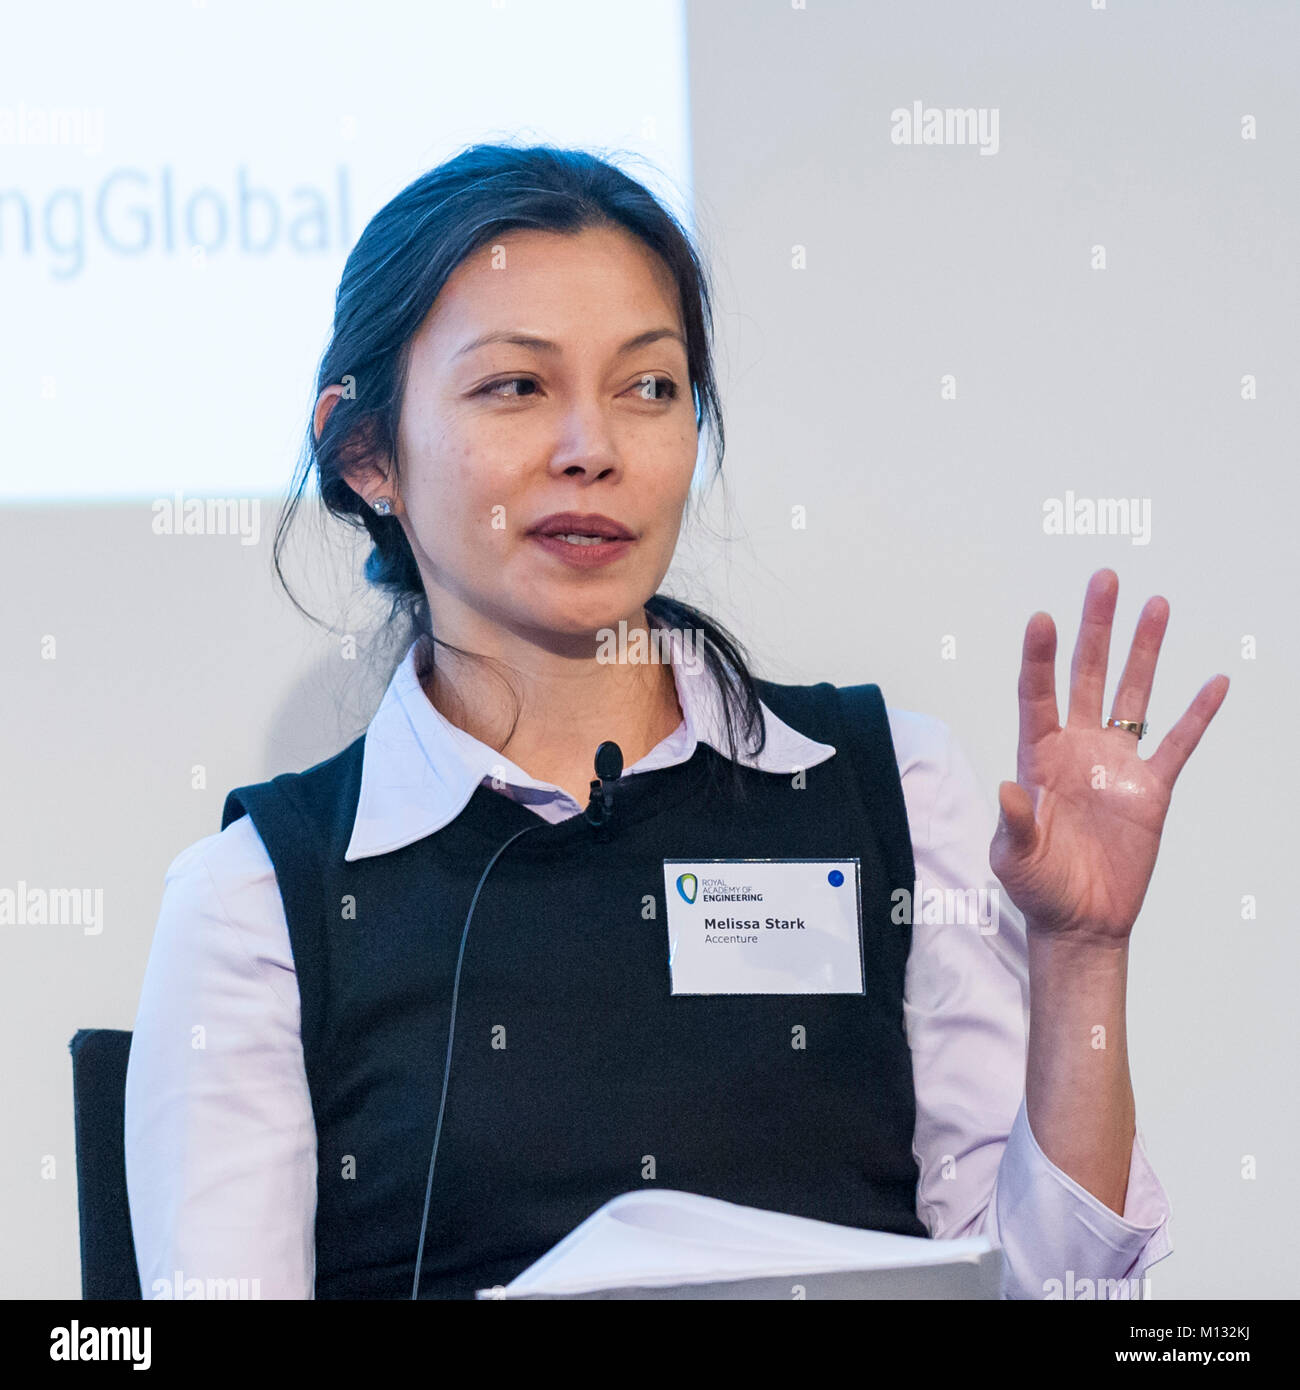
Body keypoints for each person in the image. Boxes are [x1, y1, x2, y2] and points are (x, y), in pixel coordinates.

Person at [123, 143, 1228, 1301]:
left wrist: (1081, 962)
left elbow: (1055, 1298)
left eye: (648, 387)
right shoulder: (260, 899)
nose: (592, 447)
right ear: (365, 454)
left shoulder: (891, 788)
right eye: (517, 386)